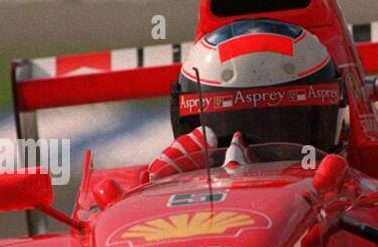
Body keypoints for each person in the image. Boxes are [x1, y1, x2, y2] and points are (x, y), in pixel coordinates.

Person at [148, 18, 346, 178]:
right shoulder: (155, 181)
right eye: (221, 141)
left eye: (280, 130)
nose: (235, 160)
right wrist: (157, 189)